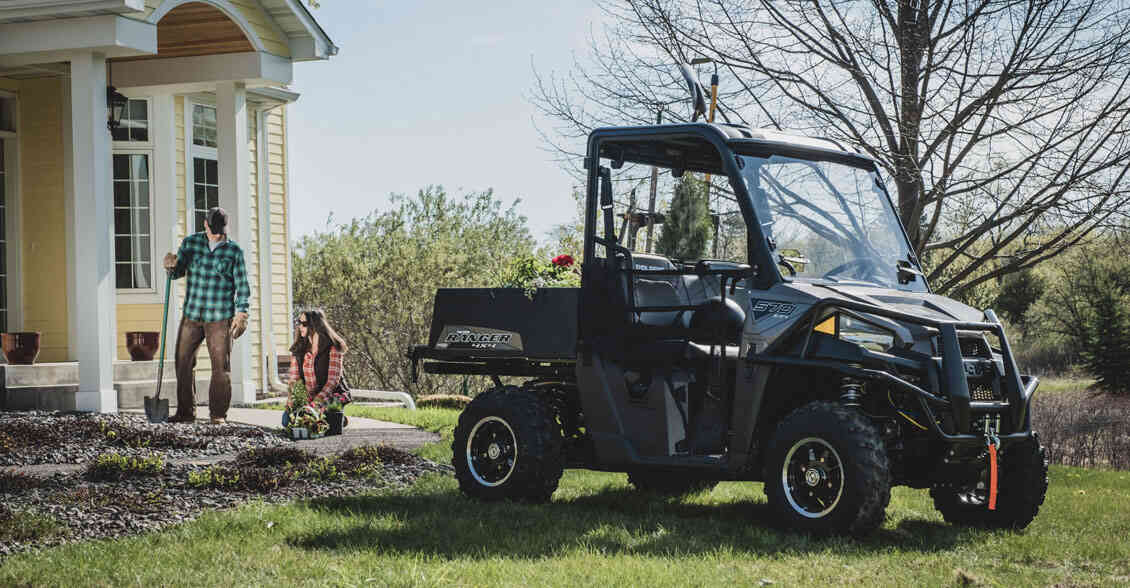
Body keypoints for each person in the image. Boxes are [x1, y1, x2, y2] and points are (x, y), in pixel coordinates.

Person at [162, 207, 250, 425]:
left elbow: (242, 286)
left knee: (220, 366)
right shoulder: (191, 244)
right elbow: (177, 272)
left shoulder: (234, 252)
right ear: (205, 224)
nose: (216, 234)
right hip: (192, 313)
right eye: (213, 229)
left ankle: (217, 415)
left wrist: (242, 312)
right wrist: (170, 266)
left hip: (220, 317)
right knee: (182, 361)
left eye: (220, 230)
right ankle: (185, 413)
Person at [283, 309, 351, 427]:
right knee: (287, 422)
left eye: (304, 324)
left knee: (322, 423)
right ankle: (334, 419)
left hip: (330, 395)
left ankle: (338, 418)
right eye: (299, 322)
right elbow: (294, 380)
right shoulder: (299, 348)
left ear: (315, 325)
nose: (300, 326)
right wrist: (292, 402)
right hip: (309, 396)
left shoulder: (333, 347)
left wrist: (315, 404)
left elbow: (332, 382)